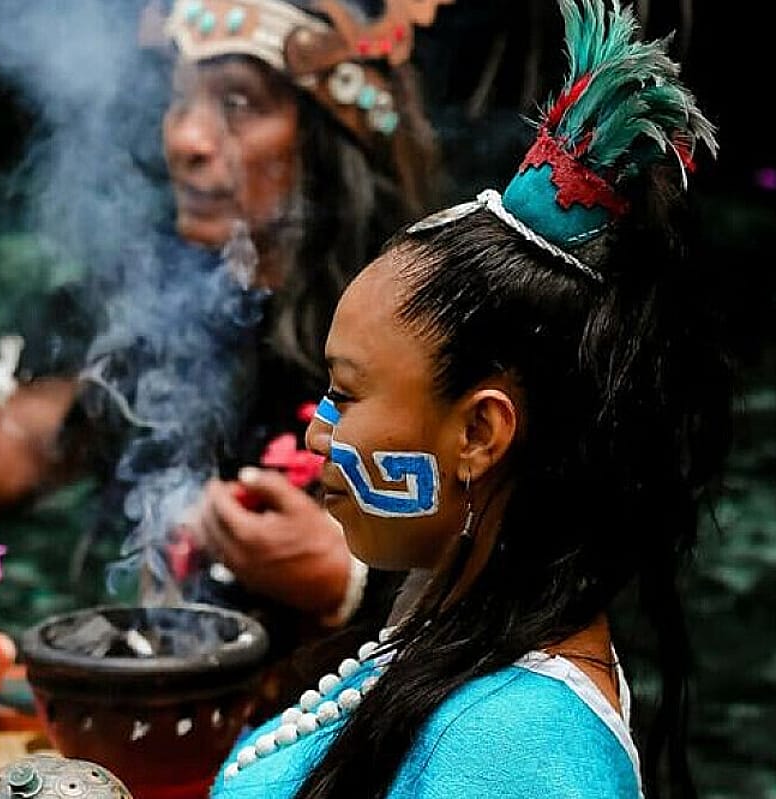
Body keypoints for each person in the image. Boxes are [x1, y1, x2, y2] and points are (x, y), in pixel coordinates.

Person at [0, 0, 449, 704]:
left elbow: (509, 588)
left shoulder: (427, 330)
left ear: (329, 138)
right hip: (153, 712)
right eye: (180, 100)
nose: (188, 139)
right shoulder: (140, 297)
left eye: (238, 104)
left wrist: (346, 578)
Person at [209, 0, 732, 797]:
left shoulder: (523, 752)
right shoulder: (453, 647)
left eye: (345, 393)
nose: (319, 433)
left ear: (481, 432)